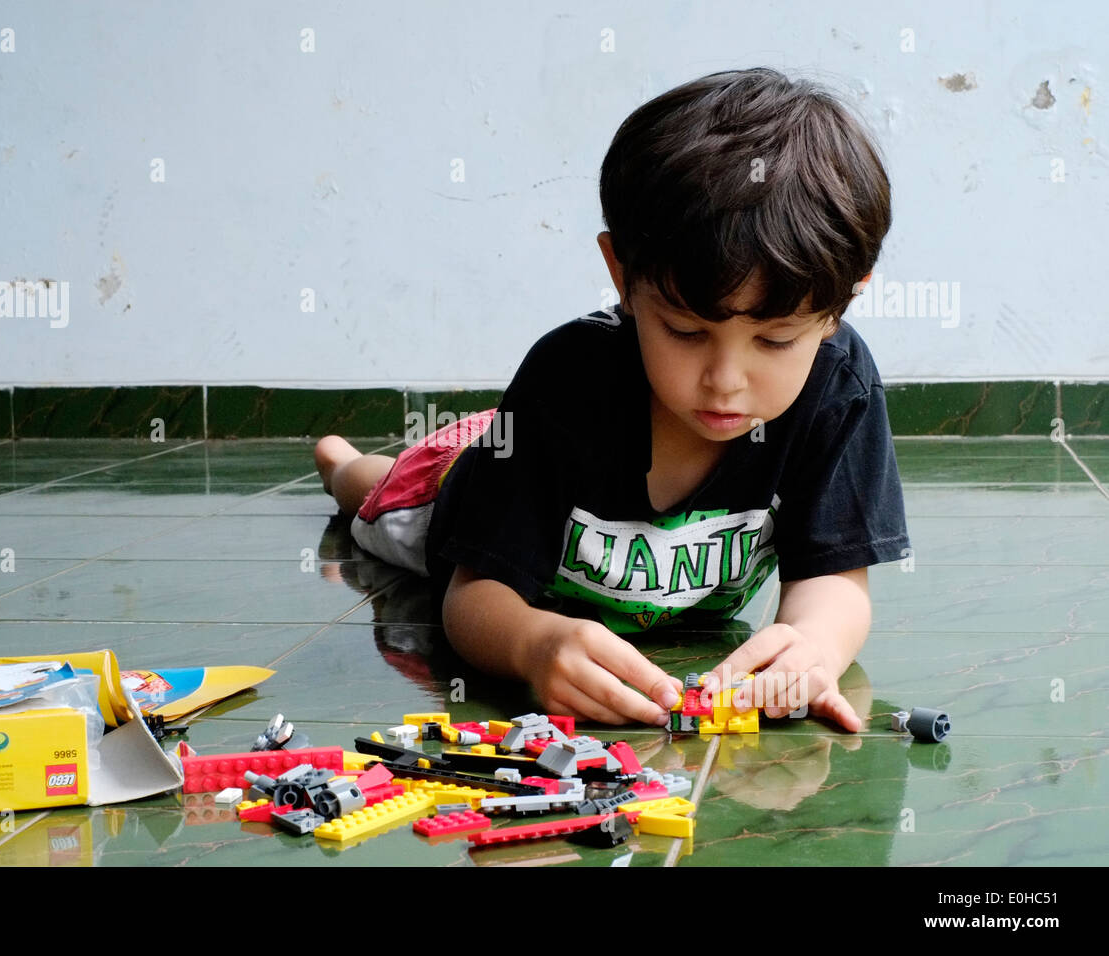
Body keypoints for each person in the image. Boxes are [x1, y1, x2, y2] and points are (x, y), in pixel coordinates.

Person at [315, 67, 909, 732]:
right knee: (391, 491)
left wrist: (818, 645)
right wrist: (531, 643)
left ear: (840, 306)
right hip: (473, 480)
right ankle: (340, 461)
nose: (725, 380)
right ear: (621, 278)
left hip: (526, 455)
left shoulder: (839, 387)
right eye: (686, 332)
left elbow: (836, 580)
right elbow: (472, 596)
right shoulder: (568, 382)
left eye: (773, 342)